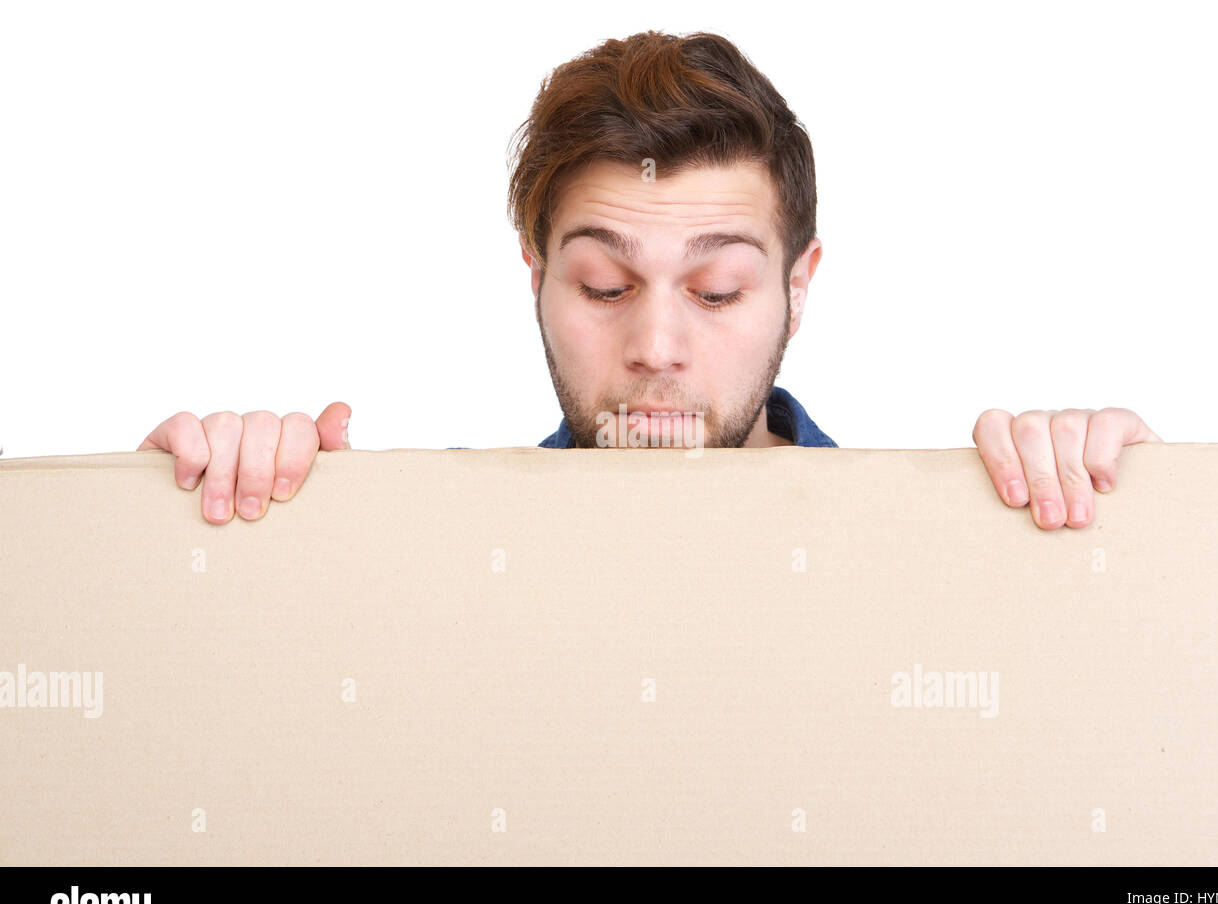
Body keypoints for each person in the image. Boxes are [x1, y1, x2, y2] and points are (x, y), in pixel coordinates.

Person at [137, 31, 1161, 531]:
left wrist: (1154, 510)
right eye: (601, 284)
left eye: (714, 289)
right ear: (535, 276)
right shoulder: (434, 559)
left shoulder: (942, 547)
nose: (657, 347)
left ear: (799, 288)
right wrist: (182, 515)